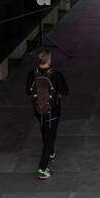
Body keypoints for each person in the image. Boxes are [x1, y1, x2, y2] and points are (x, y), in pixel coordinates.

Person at [26, 49, 69, 180]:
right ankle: (42, 169)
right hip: (53, 112)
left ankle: (50, 153)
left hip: (38, 111)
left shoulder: (31, 74)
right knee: (50, 137)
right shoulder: (56, 75)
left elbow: (28, 91)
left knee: (44, 128)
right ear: (49, 60)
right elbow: (65, 91)